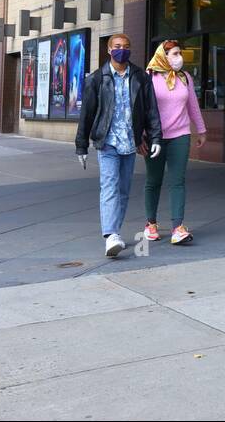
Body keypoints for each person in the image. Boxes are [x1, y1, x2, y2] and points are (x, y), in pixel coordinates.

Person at [75, 34, 163, 258]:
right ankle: (111, 235)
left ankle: (115, 232)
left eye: (126, 46)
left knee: (123, 190)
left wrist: (155, 138)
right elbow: (87, 114)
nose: (121, 50)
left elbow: (151, 110)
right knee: (110, 187)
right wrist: (81, 145)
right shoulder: (96, 79)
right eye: (117, 46)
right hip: (107, 143)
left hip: (130, 143)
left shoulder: (141, 77)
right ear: (108, 50)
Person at [142, 40, 206, 246]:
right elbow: (140, 109)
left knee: (178, 181)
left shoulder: (184, 77)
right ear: (163, 55)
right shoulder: (148, 77)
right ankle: (150, 224)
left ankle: (177, 227)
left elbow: (193, 106)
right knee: (154, 180)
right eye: (175, 53)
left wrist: (201, 130)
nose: (180, 57)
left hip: (180, 135)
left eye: (180, 53)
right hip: (155, 137)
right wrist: (141, 136)